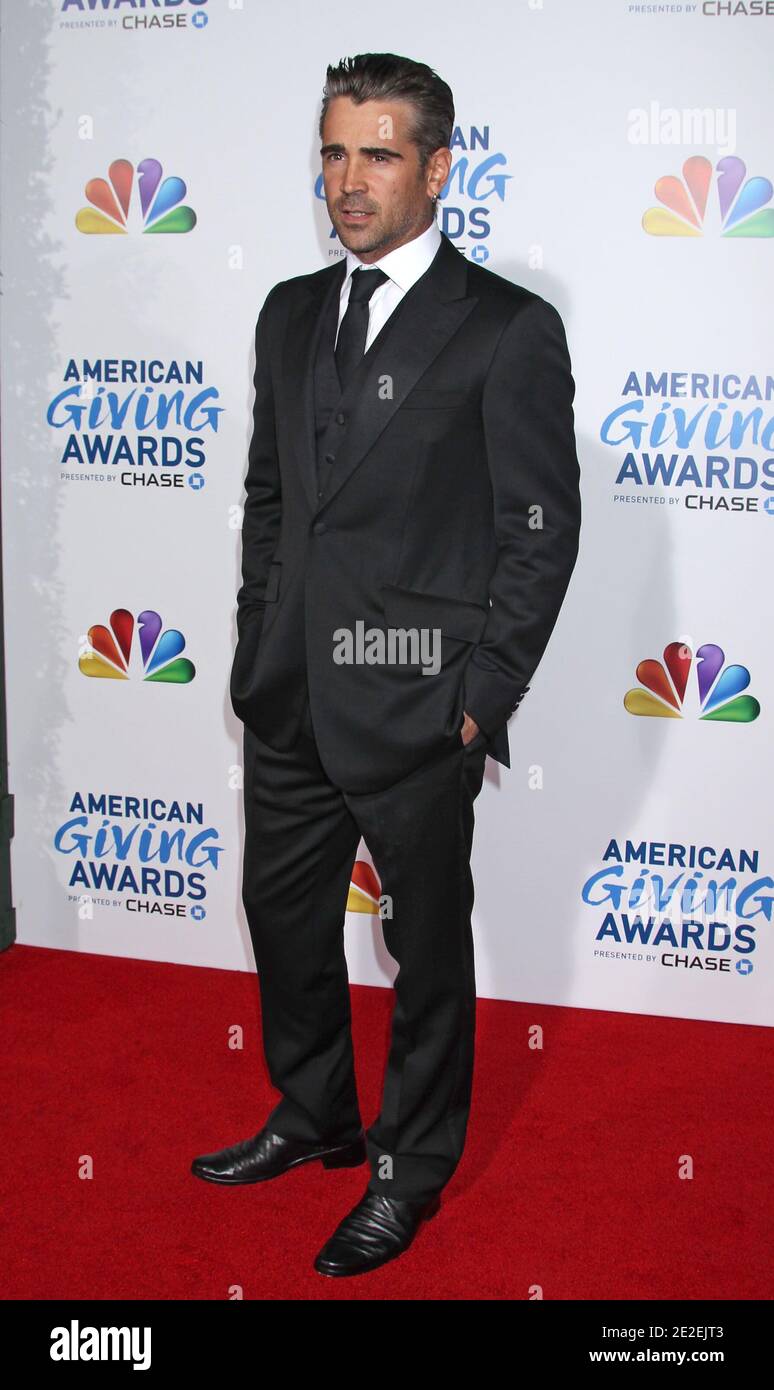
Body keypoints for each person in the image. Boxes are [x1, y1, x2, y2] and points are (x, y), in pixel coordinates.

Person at [191, 52, 582, 1278]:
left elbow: (539, 526)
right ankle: (315, 1112)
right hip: (292, 687)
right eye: (332, 153)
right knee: (283, 916)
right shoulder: (291, 311)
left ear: (438, 167)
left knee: (424, 946)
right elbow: (272, 500)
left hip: (419, 692)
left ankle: (407, 1170)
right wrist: (261, 635)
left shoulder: (508, 327)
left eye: (378, 154)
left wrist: (481, 697)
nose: (348, 182)